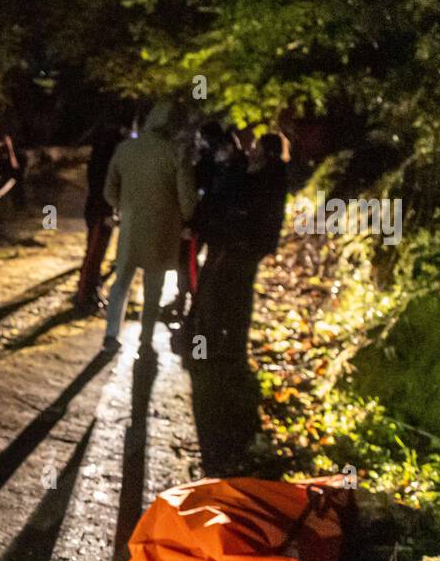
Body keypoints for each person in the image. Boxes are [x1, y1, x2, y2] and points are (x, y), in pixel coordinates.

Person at [189, 132, 288, 473]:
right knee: (229, 296)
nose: (252, 150)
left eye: (258, 146)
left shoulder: (266, 176)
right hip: (239, 245)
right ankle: (225, 345)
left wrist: (237, 233)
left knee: (227, 298)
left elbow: (255, 211)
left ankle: (222, 346)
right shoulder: (261, 173)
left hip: (239, 246)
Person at [101, 100, 198, 352]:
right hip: (164, 230)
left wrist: (125, 206)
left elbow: (109, 190)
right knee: (153, 287)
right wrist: (187, 217)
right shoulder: (176, 153)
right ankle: (145, 339)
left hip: (130, 228)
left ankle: (111, 334)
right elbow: (187, 199)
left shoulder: (126, 149)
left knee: (121, 282)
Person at [76, 121, 123, 312]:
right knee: (94, 254)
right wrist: (107, 212)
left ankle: (92, 289)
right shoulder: (103, 162)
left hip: (101, 211)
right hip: (100, 212)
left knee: (98, 253)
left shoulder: (101, 159)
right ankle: (84, 294)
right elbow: (101, 189)